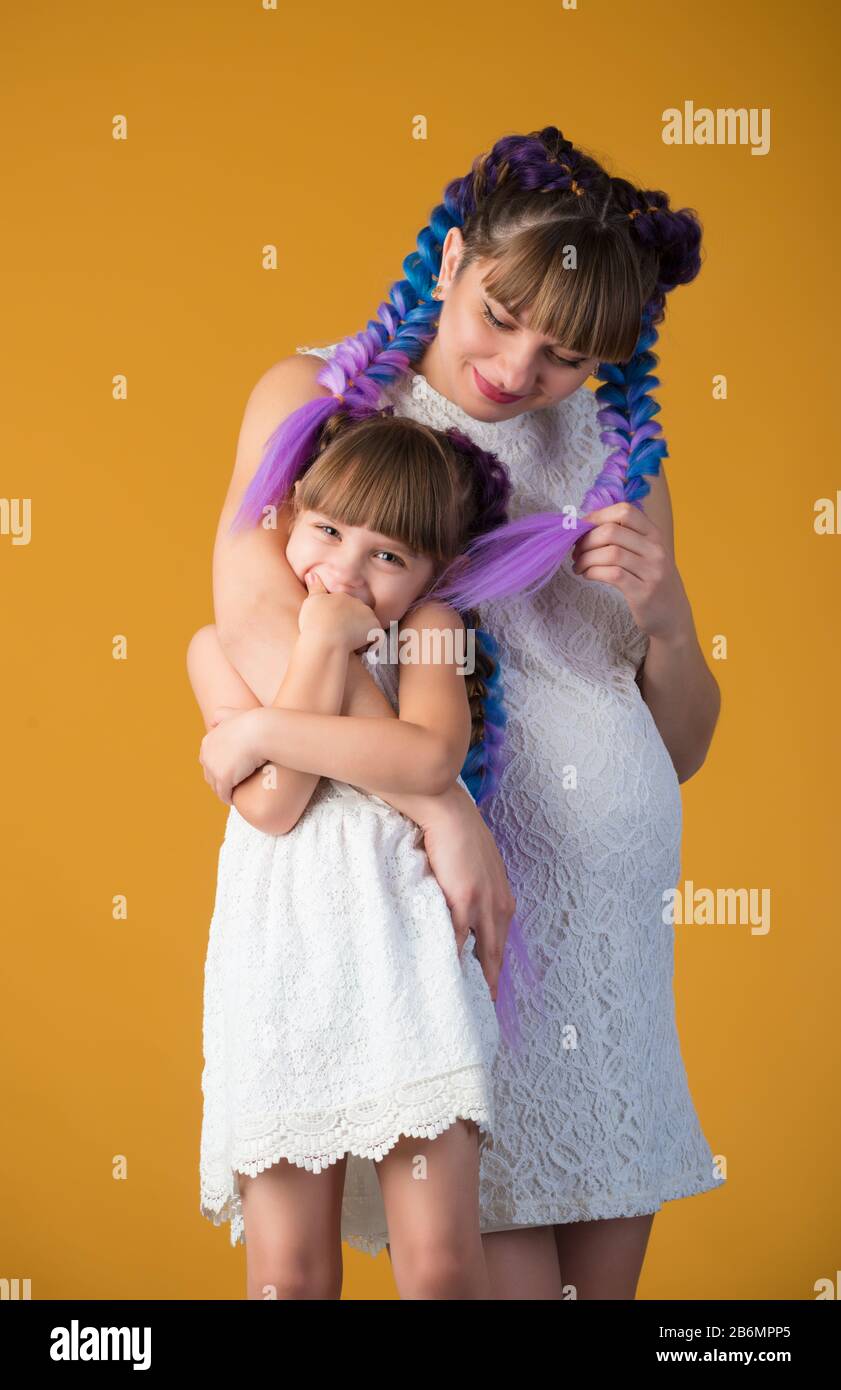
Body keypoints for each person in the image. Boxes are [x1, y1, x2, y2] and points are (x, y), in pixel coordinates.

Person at [211, 125, 725, 1300]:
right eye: (499, 314)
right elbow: (256, 634)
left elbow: (681, 743)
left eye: (565, 353)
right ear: (448, 264)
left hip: (606, 928)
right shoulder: (327, 401)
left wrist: (665, 624)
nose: (516, 367)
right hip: (446, 906)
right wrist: (440, 805)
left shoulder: (613, 453)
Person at [189, 405, 543, 1299]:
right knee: (287, 1269)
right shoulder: (216, 643)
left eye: (386, 555)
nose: (343, 571)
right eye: (328, 532)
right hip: (278, 964)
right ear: (288, 517)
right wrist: (318, 643)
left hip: (404, 955)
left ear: (435, 571)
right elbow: (273, 804)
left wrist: (268, 723)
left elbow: (428, 759)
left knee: (438, 1261)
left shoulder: (427, 629)